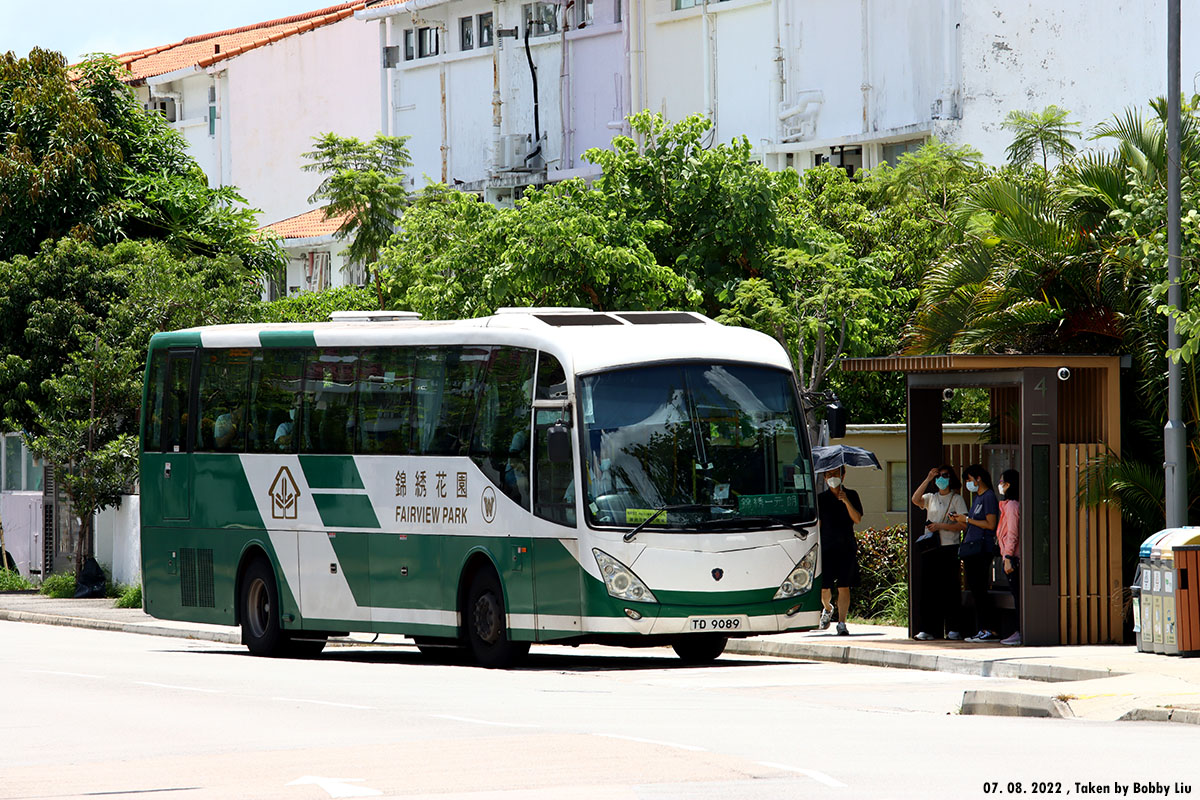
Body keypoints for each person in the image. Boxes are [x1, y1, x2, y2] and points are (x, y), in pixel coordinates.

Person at [910, 465, 968, 640]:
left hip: (949, 547)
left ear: (951, 478)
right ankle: (928, 629)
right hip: (931, 548)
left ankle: (953, 628)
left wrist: (940, 526)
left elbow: (963, 524)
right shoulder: (931, 498)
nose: (941, 479)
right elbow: (915, 499)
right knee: (929, 589)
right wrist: (928, 478)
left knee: (950, 588)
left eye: (944, 476)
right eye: (938, 477)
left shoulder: (957, 499)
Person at [951, 464, 1000, 642]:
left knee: (980, 590)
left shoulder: (988, 497)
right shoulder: (978, 498)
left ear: (978, 478)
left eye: (969, 480)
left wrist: (967, 519)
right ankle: (982, 628)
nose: (968, 484)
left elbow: (990, 524)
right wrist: (962, 519)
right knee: (975, 590)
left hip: (982, 548)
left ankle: (988, 629)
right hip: (972, 548)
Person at [817, 465, 863, 636]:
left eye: (836, 474)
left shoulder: (851, 495)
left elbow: (857, 519)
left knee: (844, 586)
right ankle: (827, 609)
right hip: (827, 549)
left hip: (846, 547)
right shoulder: (820, 499)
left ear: (843, 476)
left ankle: (842, 623)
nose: (832, 477)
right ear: (824, 478)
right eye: (829, 475)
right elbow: (818, 524)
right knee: (824, 588)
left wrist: (846, 501)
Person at [997, 469, 1022, 645]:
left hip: (1013, 558)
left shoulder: (1012, 506)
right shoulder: (1007, 505)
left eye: (1002, 482)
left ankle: (1020, 631)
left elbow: (1012, 534)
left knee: (1018, 596)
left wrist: (1007, 557)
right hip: (1010, 556)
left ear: (1009, 484)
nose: (1000, 485)